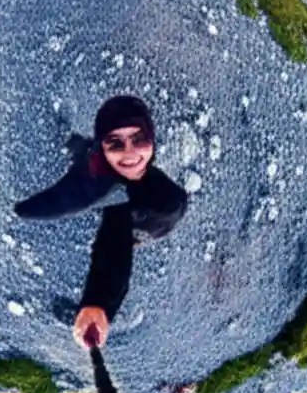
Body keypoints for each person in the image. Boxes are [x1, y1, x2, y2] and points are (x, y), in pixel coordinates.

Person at [14, 94, 189, 349]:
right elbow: (108, 244)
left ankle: (79, 148)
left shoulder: (128, 192)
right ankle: (81, 149)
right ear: (104, 147)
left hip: (140, 209)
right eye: (115, 143)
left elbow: (113, 247)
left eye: (138, 139)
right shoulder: (105, 188)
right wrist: (98, 303)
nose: (129, 153)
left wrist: (99, 303)